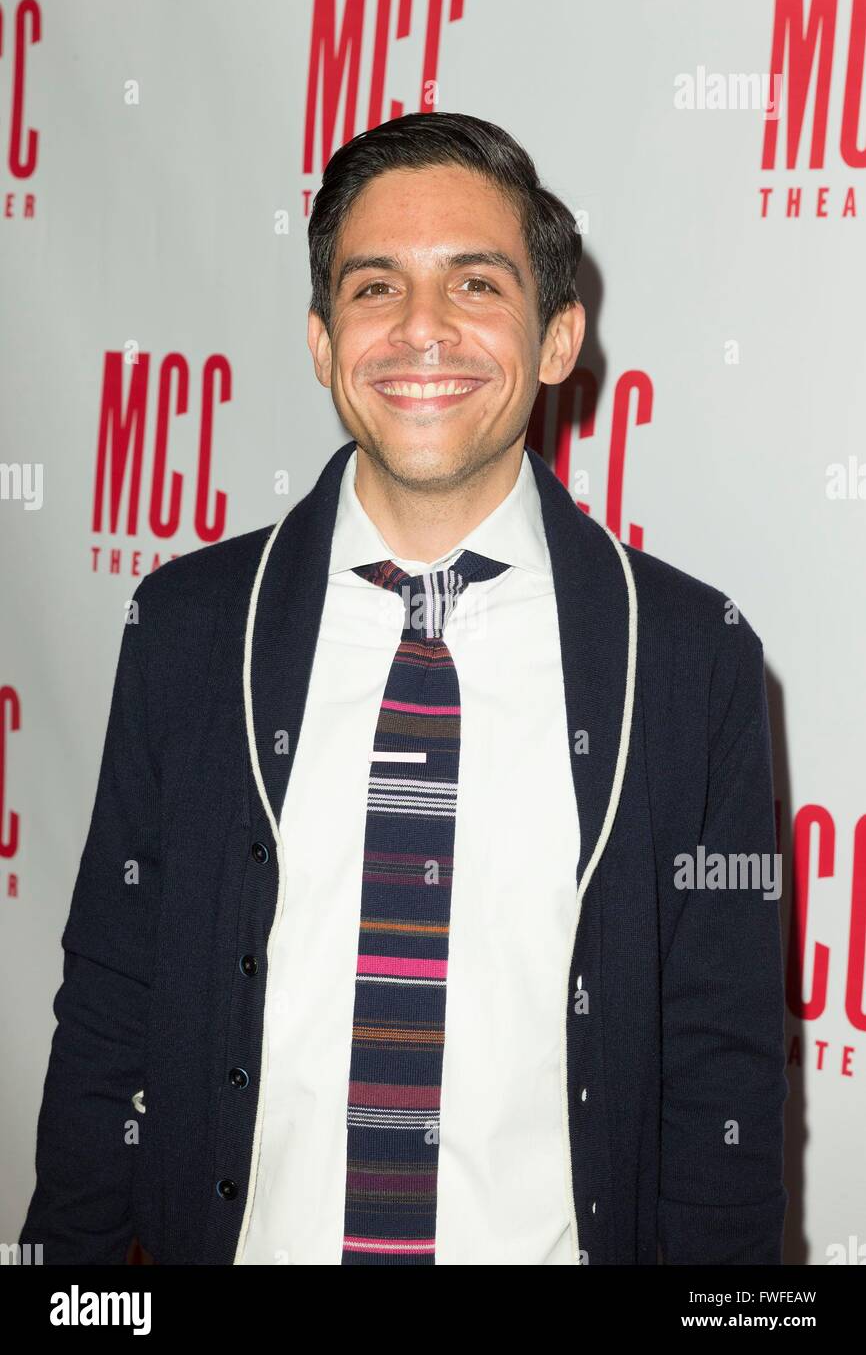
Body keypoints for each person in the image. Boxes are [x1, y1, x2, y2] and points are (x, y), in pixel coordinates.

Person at [20, 110, 787, 1266]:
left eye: (474, 284)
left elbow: (721, 1067)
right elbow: (110, 1017)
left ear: (556, 336)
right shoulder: (185, 628)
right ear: (324, 342)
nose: (419, 330)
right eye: (374, 289)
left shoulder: (688, 656)